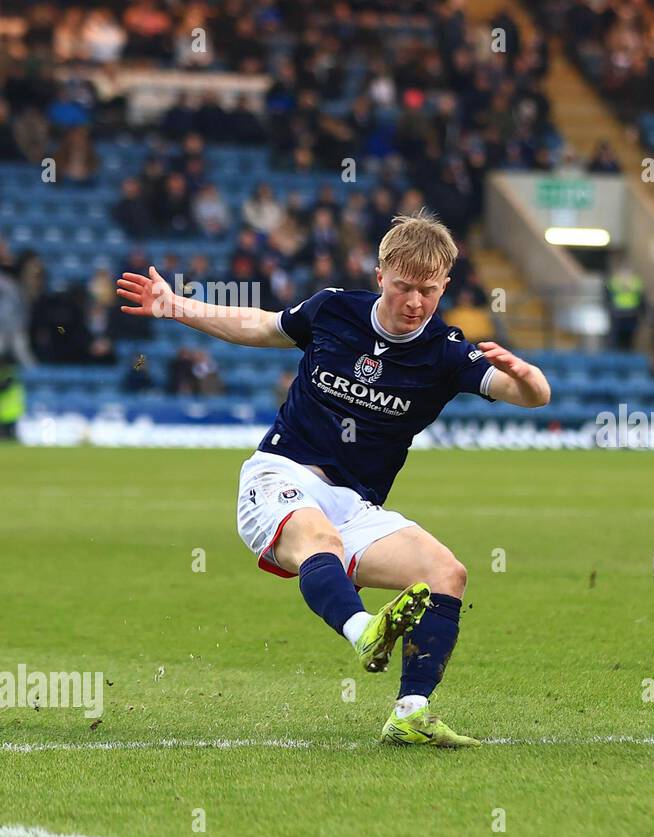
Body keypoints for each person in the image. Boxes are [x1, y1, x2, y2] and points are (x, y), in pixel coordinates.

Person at [117, 211, 552, 745]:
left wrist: (530, 381)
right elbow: (261, 326)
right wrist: (175, 306)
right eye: (403, 287)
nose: (415, 303)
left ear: (445, 286)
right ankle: (363, 630)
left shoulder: (445, 351)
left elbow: (525, 396)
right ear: (380, 277)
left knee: (447, 574)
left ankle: (411, 712)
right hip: (280, 475)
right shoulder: (333, 310)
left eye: (429, 291)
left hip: (355, 505)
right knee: (318, 538)